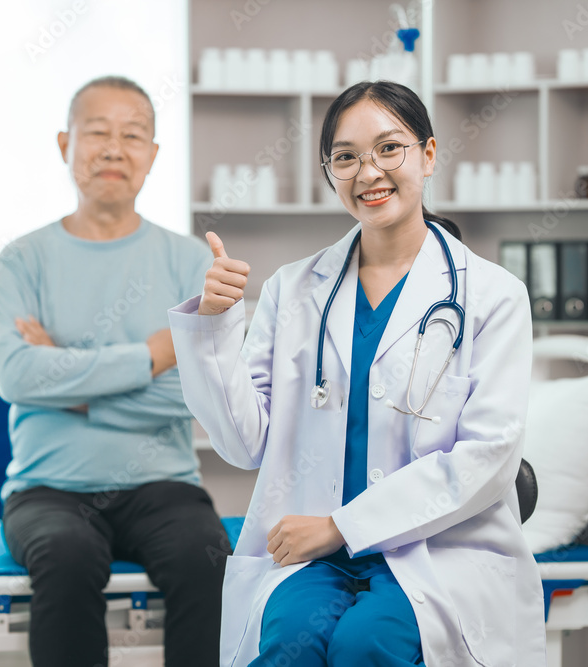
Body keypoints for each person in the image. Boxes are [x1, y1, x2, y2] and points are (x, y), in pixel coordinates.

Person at [168, 80, 547, 666]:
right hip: (314, 557)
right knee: (291, 638)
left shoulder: (492, 295)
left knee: (370, 641)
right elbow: (245, 444)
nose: (368, 171)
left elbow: (487, 457)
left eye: (389, 148)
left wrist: (342, 526)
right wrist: (215, 330)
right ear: (330, 172)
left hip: (435, 548)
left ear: (427, 154)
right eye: (346, 157)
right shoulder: (293, 289)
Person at [0, 75, 228, 667]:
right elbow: (18, 378)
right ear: (64, 143)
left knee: (210, 559)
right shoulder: (22, 259)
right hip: (49, 492)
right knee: (67, 559)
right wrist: (150, 357)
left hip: (166, 489)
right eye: (97, 132)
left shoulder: (192, 263)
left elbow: (197, 398)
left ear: (152, 154)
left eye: (133, 135)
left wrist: (71, 388)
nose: (114, 148)